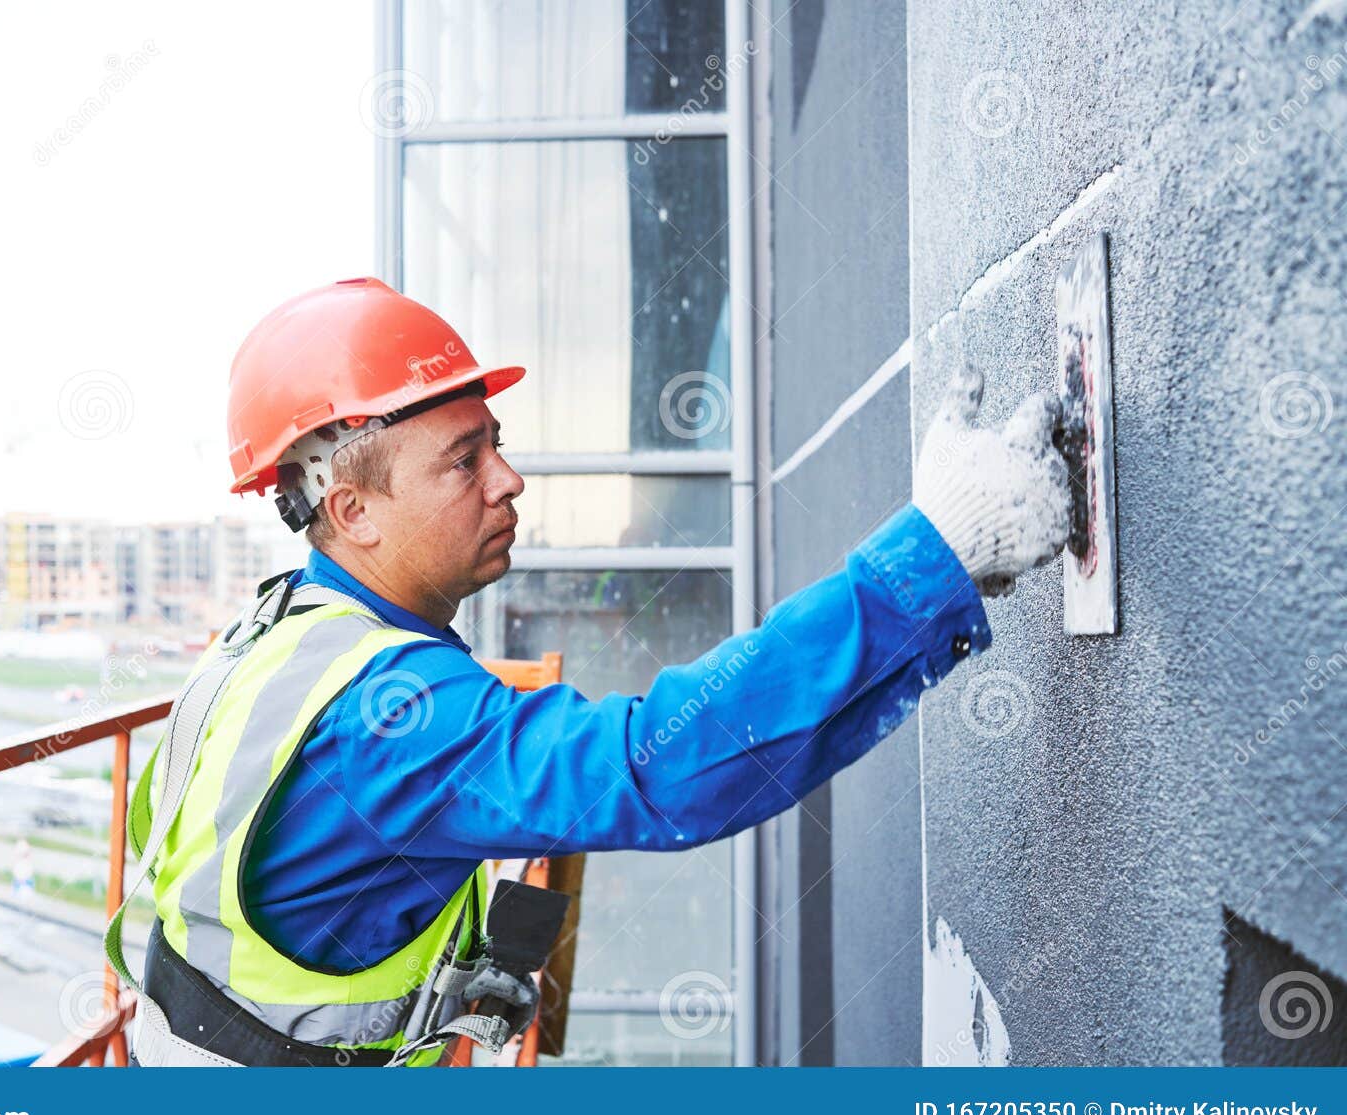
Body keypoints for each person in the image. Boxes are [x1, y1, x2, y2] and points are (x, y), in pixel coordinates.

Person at [115, 276, 1071, 1068]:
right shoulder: (388, 718)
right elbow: (656, 766)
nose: (508, 480)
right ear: (354, 509)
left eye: (497, 443)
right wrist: (929, 559)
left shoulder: (274, 634)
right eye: (464, 460)